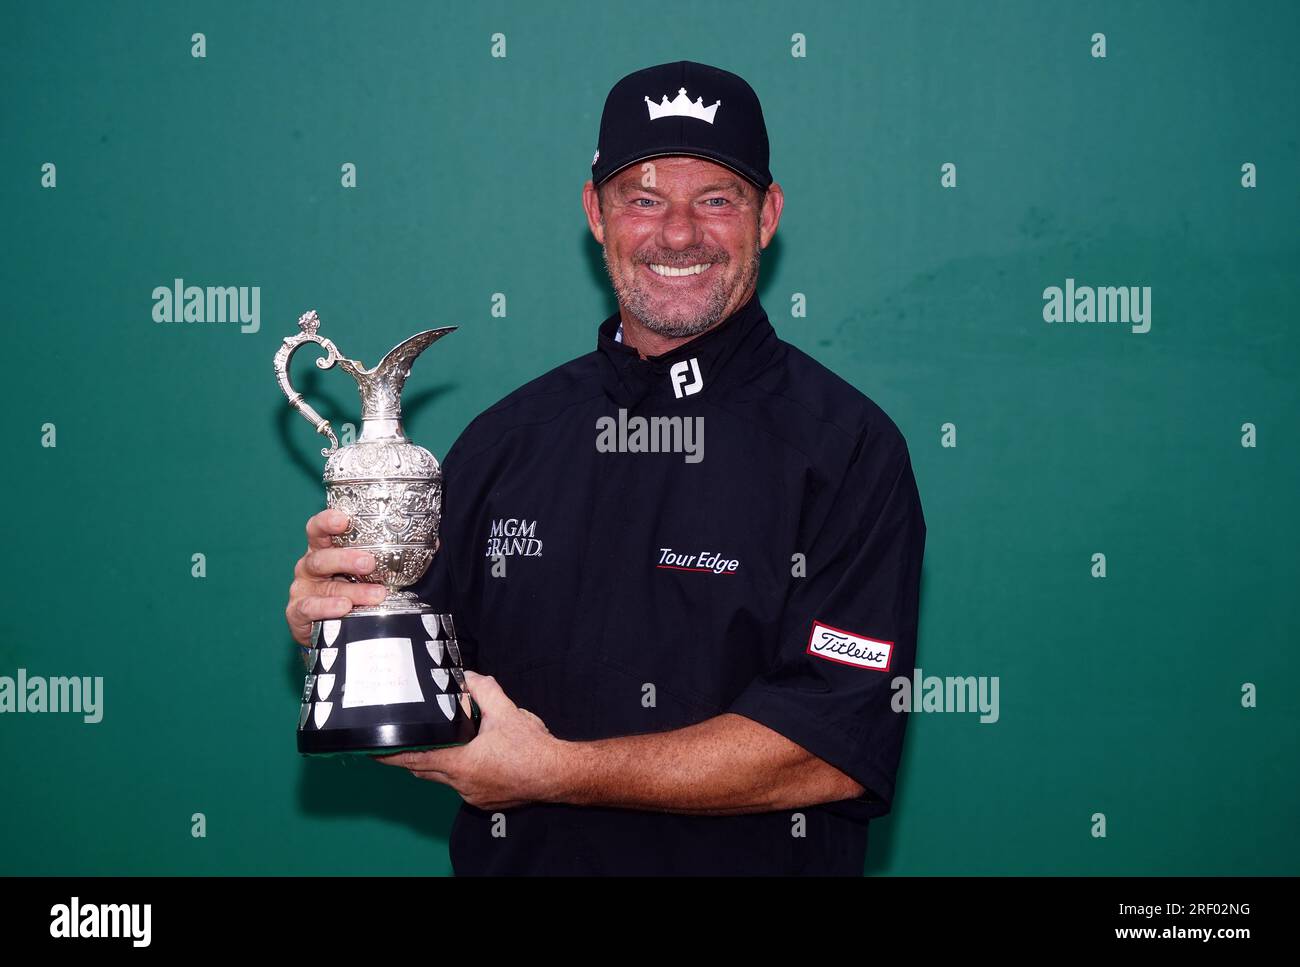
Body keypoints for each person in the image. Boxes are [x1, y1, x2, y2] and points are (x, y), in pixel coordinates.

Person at [284, 60, 927, 875]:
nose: (680, 233)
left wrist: (557, 772)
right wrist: (340, 631)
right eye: (645, 198)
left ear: (769, 216)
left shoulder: (848, 450)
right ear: (596, 213)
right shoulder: (503, 441)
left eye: (718, 199)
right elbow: (423, 692)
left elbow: (829, 751)